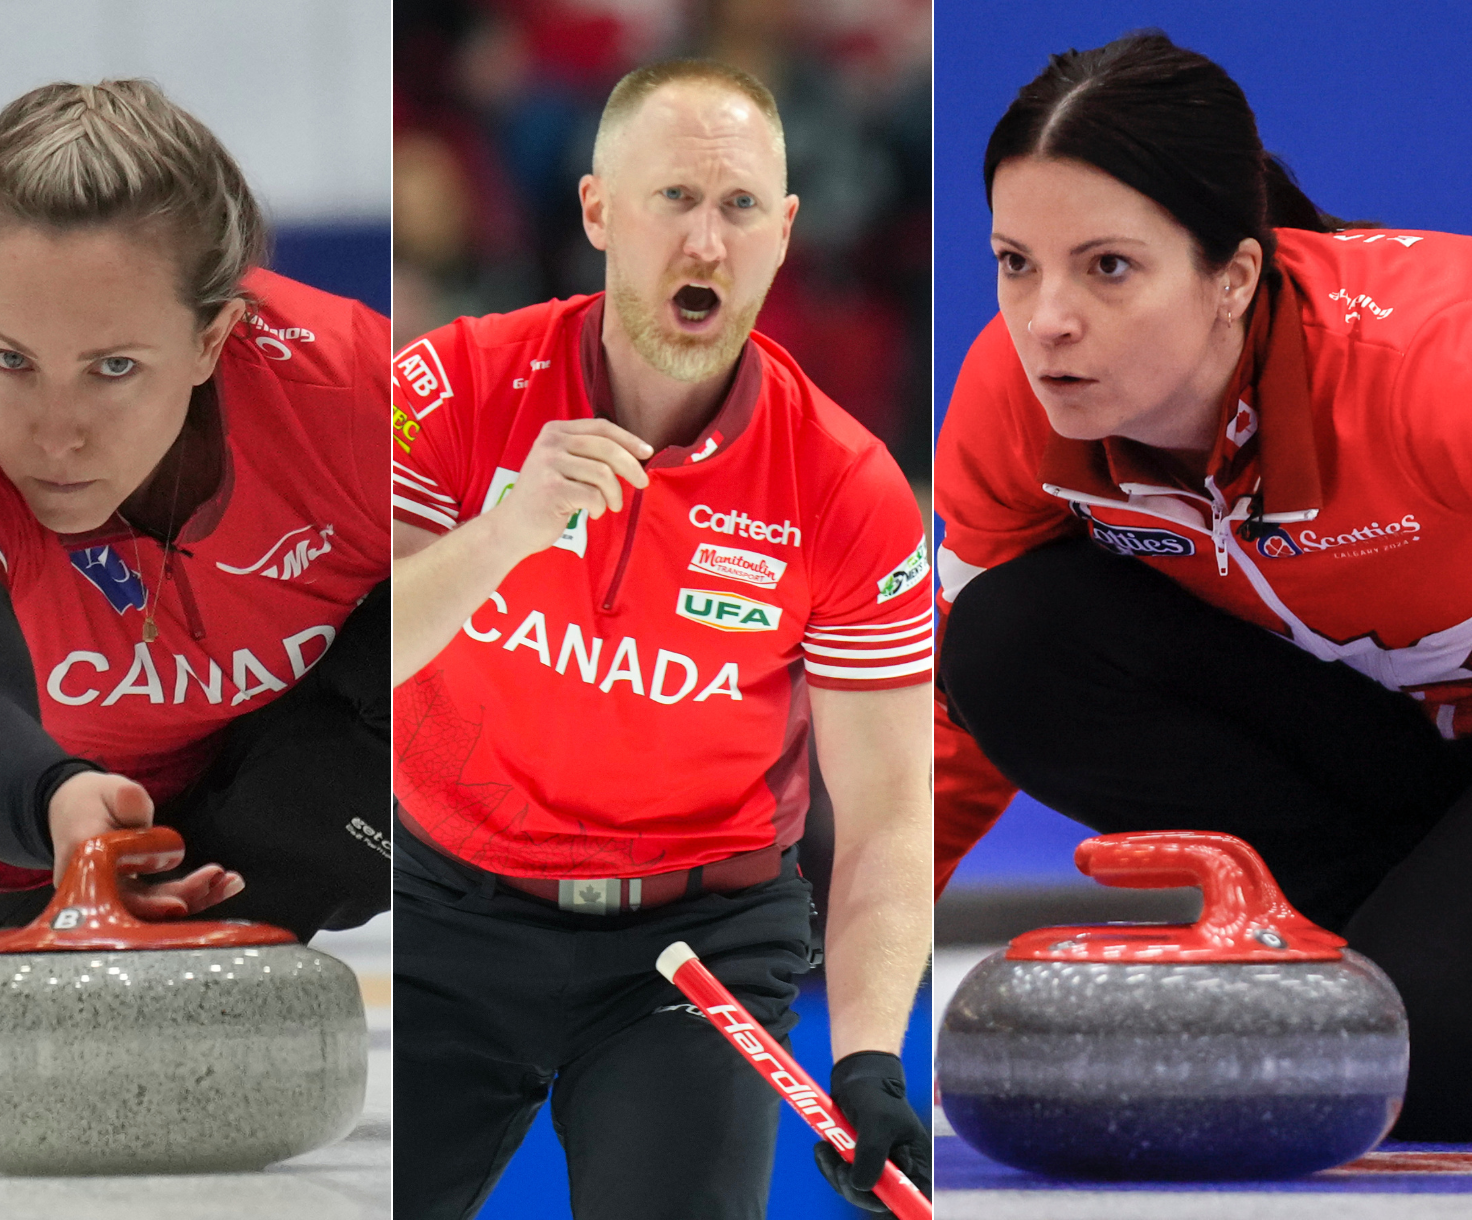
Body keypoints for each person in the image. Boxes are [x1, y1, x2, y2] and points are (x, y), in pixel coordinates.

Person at [392, 59, 932, 1219]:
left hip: (699, 945)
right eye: (672, 200)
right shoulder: (451, 386)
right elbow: (347, 658)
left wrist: (874, 1057)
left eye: (740, 207)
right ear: (596, 211)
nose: (706, 243)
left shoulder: (849, 487)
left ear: (786, 232)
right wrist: (503, 534)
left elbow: (888, 811)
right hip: (448, 907)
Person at [934, 31, 1472, 1139]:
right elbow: (958, 724)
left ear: (1233, 274)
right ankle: (1369, 934)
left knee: (1401, 1065)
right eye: (1015, 262)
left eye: (1107, 266)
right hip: (1391, 762)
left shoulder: (1431, 368)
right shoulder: (1013, 404)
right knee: (1004, 638)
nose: (1046, 321)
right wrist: (820, 934)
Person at [0, 80, 390, 942]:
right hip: (31, 824)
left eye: (113, 368)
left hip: (287, 799)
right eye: (10, 360)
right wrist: (54, 799)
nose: (56, 436)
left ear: (212, 340)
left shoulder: (349, 388)